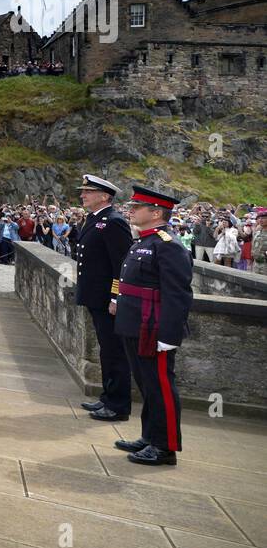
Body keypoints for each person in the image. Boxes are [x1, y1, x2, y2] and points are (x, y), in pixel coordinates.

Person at [112, 185, 194, 466]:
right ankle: (149, 436)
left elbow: (177, 294)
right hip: (135, 325)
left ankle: (165, 446)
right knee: (147, 385)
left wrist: (169, 335)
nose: (130, 210)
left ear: (156, 212)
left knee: (160, 387)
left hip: (153, 329)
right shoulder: (143, 241)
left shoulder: (167, 245)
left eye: (137, 207)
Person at [73, 175, 136, 422]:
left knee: (115, 352)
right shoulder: (96, 219)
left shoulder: (113, 222)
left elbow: (121, 264)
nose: (82, 195)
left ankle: (119, 405)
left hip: (106, 299)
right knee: (106, 350)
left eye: (88, 191)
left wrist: (116, 297)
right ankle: (108, 397)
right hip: (95, 297)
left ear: (104, 196)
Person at [254, 211, 267, 276]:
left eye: (264, 218)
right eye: (260, 218)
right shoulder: (257, 232)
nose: (261, 220)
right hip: (256, 263)